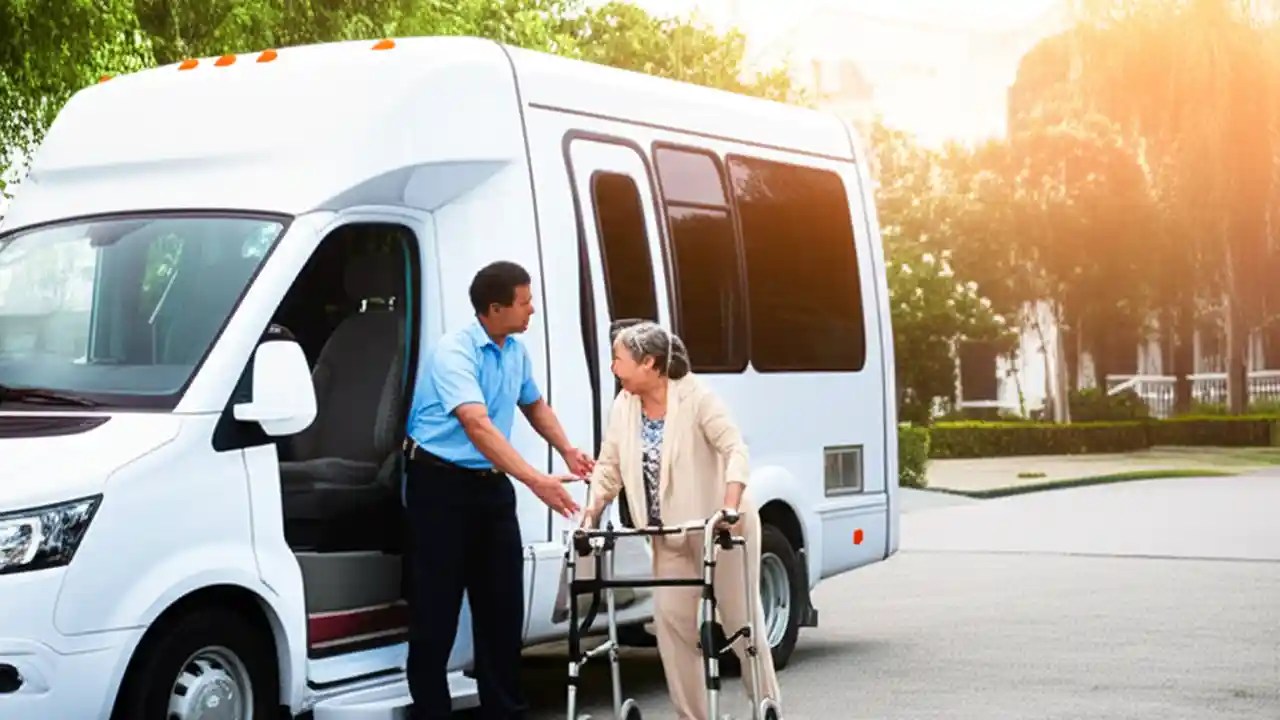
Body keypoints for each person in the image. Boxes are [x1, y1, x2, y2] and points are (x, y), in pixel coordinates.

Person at [403, 260, 593, 720]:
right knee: (437, 610)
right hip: (439, 485)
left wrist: (566, 450)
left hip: (490, 489)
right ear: (495, 307)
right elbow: (476, 424)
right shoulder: (454, 352)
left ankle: (505, 712)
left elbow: (534, 404)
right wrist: (536, 480)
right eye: (525, 302)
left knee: (503, 609)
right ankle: (431, 713)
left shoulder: (514, 349)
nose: (532, 310)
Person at [580, 320, 782, 720]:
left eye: (618, 360)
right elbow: (609, 466)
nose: (613, 368)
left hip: (720, 528)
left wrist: (729, 506)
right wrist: (591, 512)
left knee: (740, 623)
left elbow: (734, 449)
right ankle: (693, 716)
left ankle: (765, 706)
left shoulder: (697, 398)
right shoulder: (624, 405)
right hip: (668, 532)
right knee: (672, 625)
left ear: (649, 364)